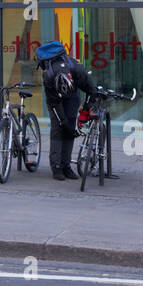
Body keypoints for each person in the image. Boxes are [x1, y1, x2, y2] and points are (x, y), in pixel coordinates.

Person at [36, 40, 95, 181]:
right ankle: (56, 167)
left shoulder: (77, 69)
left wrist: (86, 109)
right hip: (55, 99)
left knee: (70, 128)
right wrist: (64, 122)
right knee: (58, 128)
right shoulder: (49, 75)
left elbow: (92, 90)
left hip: (73, 96)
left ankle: (66, 166)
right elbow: (53, 103)